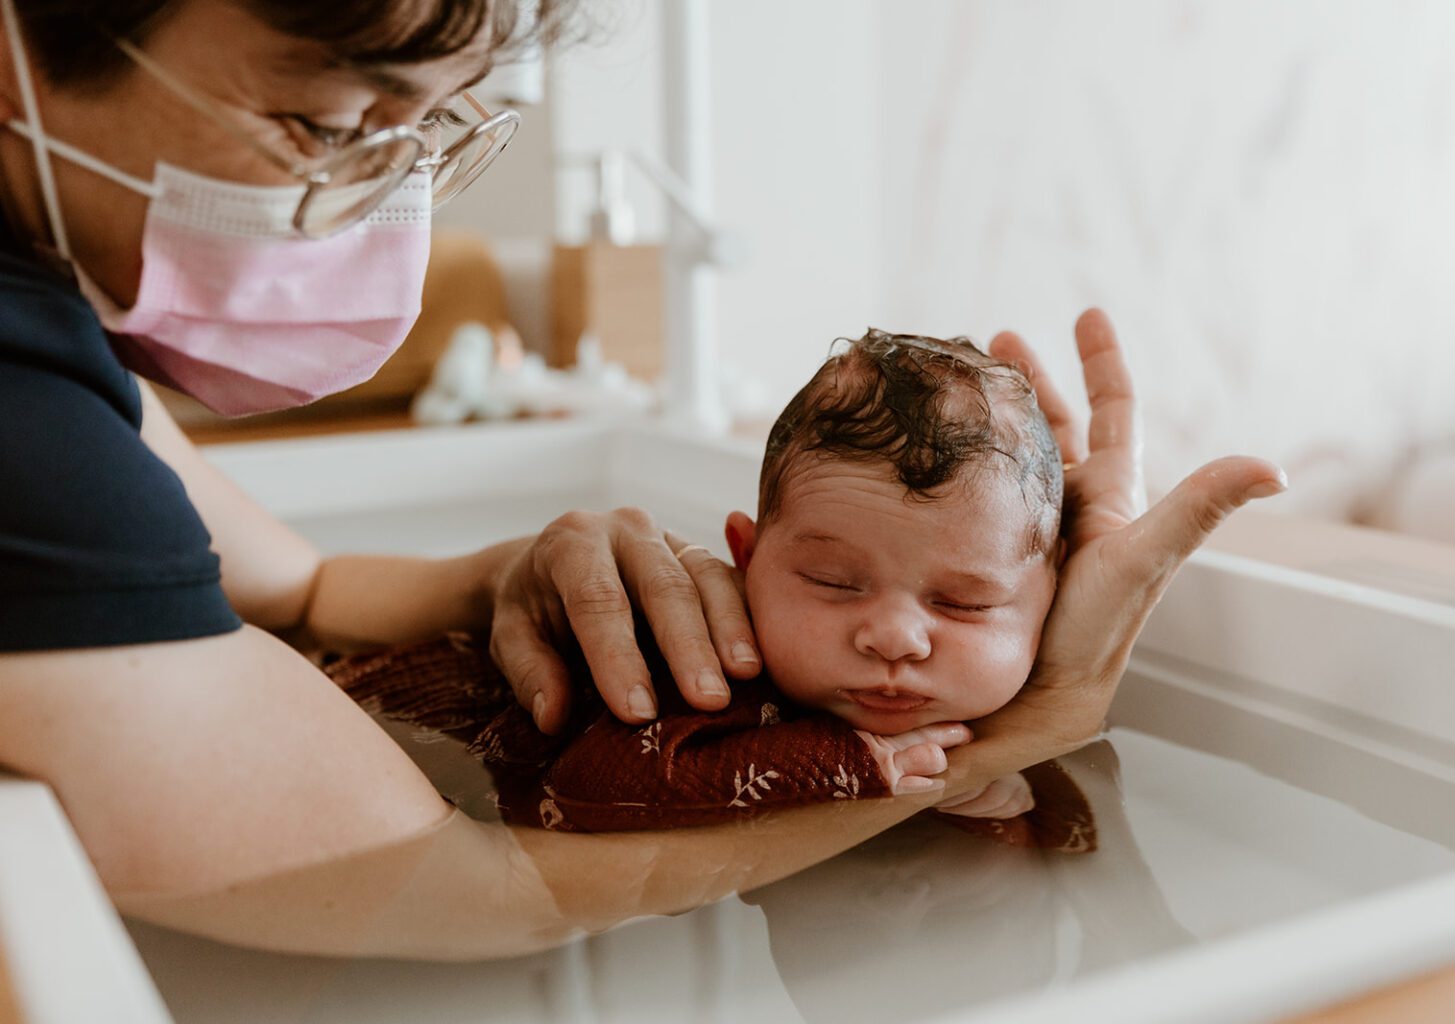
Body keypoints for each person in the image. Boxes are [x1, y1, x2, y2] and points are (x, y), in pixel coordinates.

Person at [0, 0, 1285, 958]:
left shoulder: (46, 329)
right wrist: (1016, 731)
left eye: (428, 130)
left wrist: (513, 567)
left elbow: (307, 583)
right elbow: (471, 887)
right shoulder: (22, 431)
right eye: (325, 126)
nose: (365, 206)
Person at [326, 328, 1091, 846]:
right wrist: (845, 769)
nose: (893, 637)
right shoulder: (707, 665)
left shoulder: (993, 698)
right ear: (746, 559)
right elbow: (596, 785)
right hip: (356, 705)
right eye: (832, 583)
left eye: (965, 603)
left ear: (1046, 595)